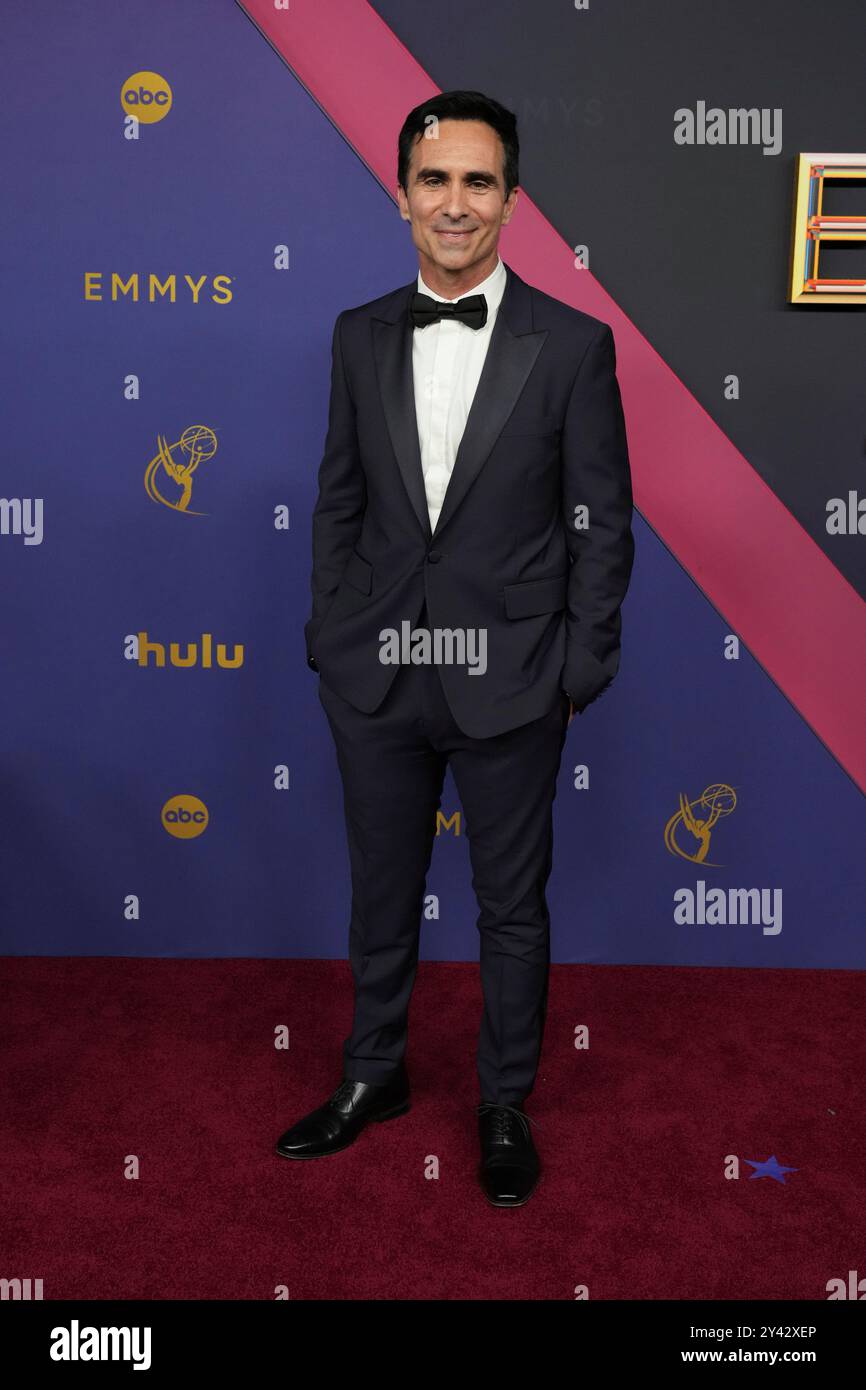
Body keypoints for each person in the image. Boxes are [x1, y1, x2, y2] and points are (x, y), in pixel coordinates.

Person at [275, 90, 635, 1207]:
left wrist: (577, 668)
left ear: (512, 200)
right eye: (433, 180)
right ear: (400, 195)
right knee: (380, 891)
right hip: (372, 673)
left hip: (514, 677)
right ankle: (371, 1074)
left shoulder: (573, 346)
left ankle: (502, 1100)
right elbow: (336, 501)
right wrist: (331, 635)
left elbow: (601, 522)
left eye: (478, 181)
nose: (454, 203)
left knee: (508, 904)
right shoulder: (355, 333)